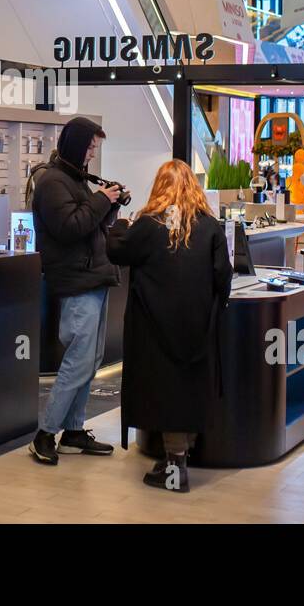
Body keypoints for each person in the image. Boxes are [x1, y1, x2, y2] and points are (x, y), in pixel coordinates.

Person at [108, 160, 232, 493]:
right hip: (197, 325)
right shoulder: (210, 226)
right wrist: (213, 309)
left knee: (167, 392)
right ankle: (177, 456)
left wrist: (120, 223)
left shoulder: (149, 225)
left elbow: (118, 250)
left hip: (156, 327)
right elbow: (224, 276)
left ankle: (176, 467)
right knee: (189, 390)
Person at [27, 117, 124, 465]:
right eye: (90, 146)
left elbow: (92, 225)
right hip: (75, 282)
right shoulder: (52, 183)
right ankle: (45, 434)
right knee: (78, 360)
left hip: (93, 278)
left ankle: (73, 431)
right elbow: (70, 228)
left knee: (90, 361)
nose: (93, 152)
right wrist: (100, 200)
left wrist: (108, 204)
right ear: (76, 144)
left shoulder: (76, 181)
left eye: (95, 147)